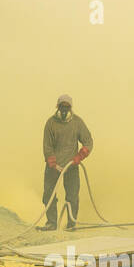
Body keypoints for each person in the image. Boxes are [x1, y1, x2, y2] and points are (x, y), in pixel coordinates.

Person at [39, 94, 93, 230]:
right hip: (53, 167)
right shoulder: (50, 123)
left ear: (70, 108)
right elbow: (47, 146)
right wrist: (52, 163)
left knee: (72, 196)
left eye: (67, 107)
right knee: (49, 195)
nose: (64, 110)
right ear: (57, 107)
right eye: (62, 107)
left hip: (71, 167)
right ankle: (51, 223)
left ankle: (71, 224)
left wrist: (79, 157)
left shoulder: (77, 123)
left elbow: (88, 142)